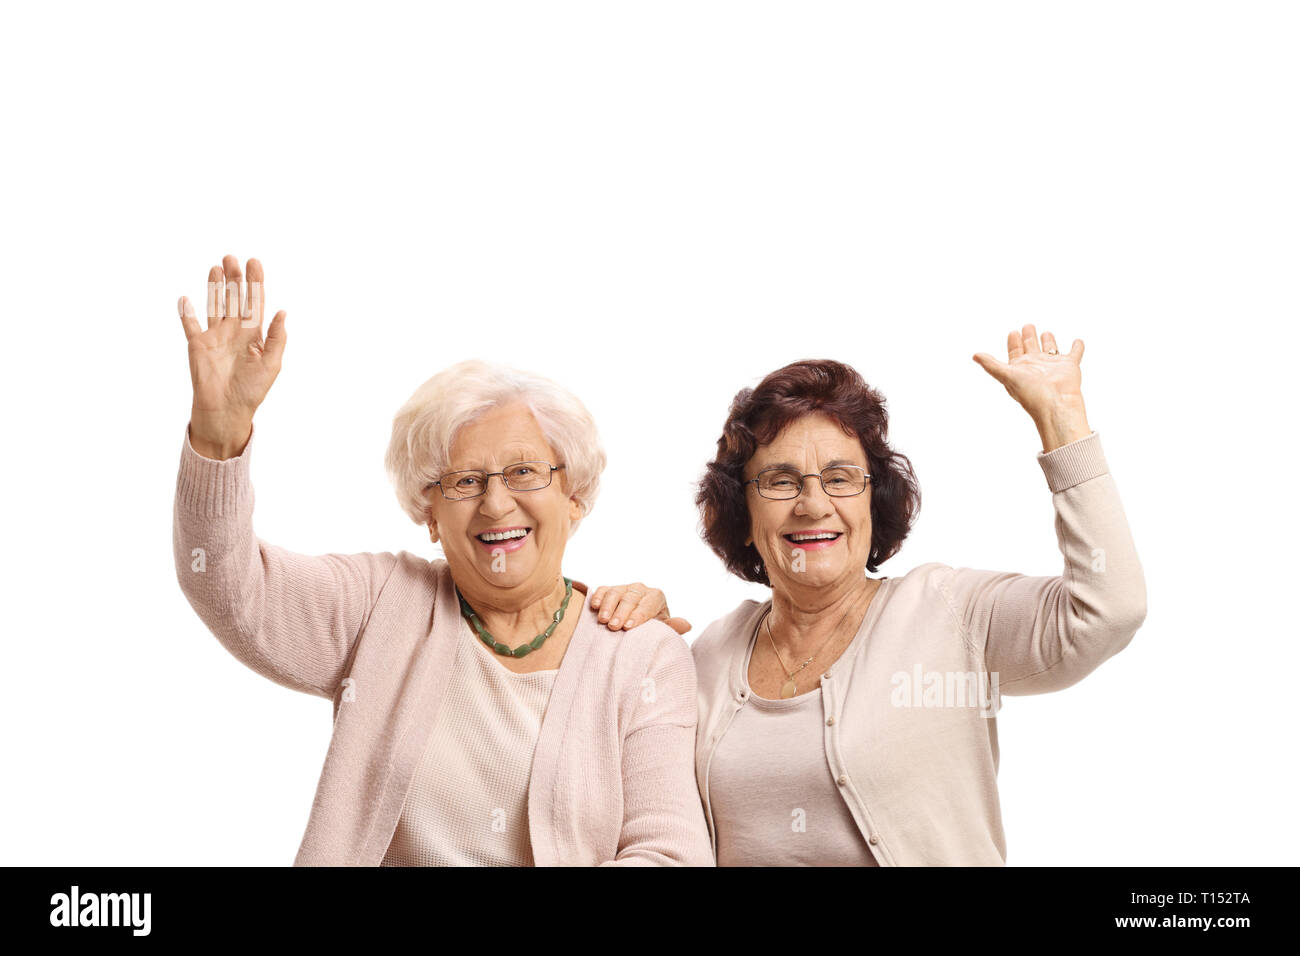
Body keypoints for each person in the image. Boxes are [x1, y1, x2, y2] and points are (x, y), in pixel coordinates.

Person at [173, 254, 711, 866]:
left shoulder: (640, 653)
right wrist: (218, 438)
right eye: (463, 481)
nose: (495, 503)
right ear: (428, 511)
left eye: (524, 472)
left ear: (575, 496)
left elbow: (669, 855)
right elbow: (222, 582)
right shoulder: (381, 603)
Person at [594, 339, 1146, 865]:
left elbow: (1107, 607)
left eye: (840, 478)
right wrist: (629, 635)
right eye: (781, 481)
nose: (813, 505)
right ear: (742, 516)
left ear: (873, 501)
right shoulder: (712, 652)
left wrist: (1062, 419)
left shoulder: (948, 611)